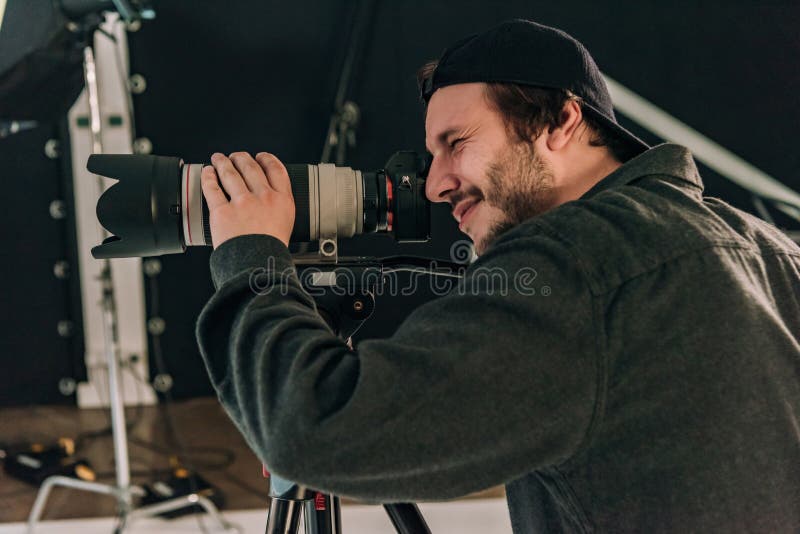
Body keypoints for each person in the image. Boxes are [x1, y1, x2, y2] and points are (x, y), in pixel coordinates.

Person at [196, 19, 800, 533]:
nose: (435, 184)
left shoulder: (575, 260)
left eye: (456, 142)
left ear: (559, 123)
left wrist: (252, 252)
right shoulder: (768, 250)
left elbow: (311, 432)